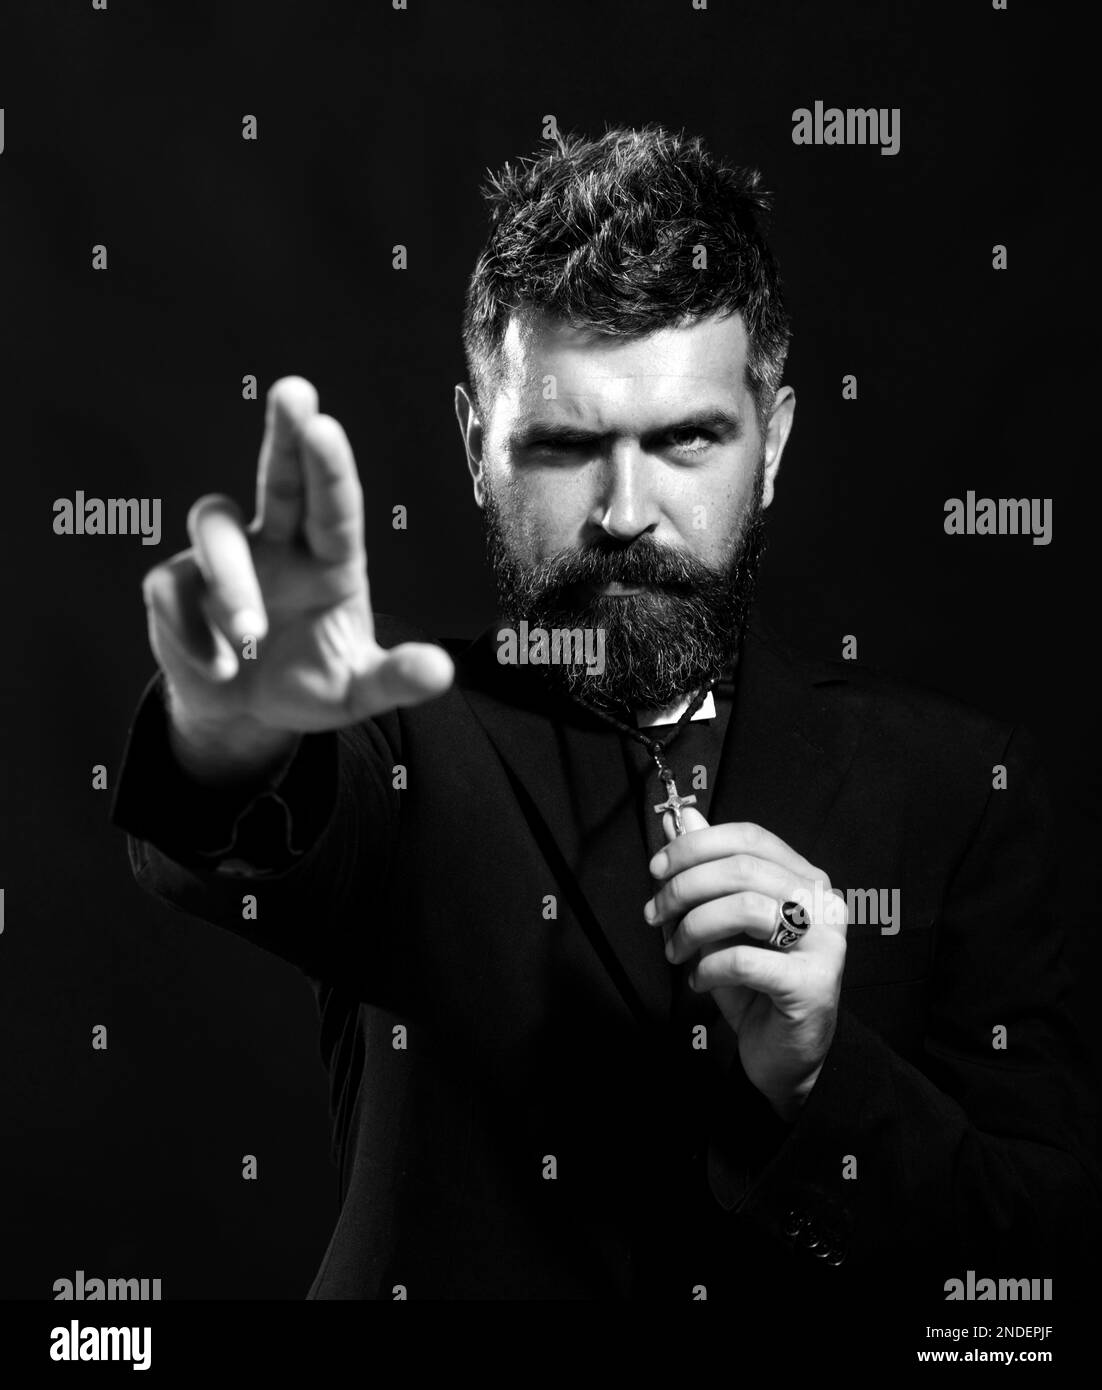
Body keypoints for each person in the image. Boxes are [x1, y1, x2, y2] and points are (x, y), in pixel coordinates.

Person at [111, 126, 1097, 1302]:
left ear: (772, 441)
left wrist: (816, 1073)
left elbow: (1030, 1267)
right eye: (568, 445)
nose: (625, 511)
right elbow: (246, 831)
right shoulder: (394, 741)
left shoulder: (960, 787)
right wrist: (227, 739)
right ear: (478, 449)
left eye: (686, 438)